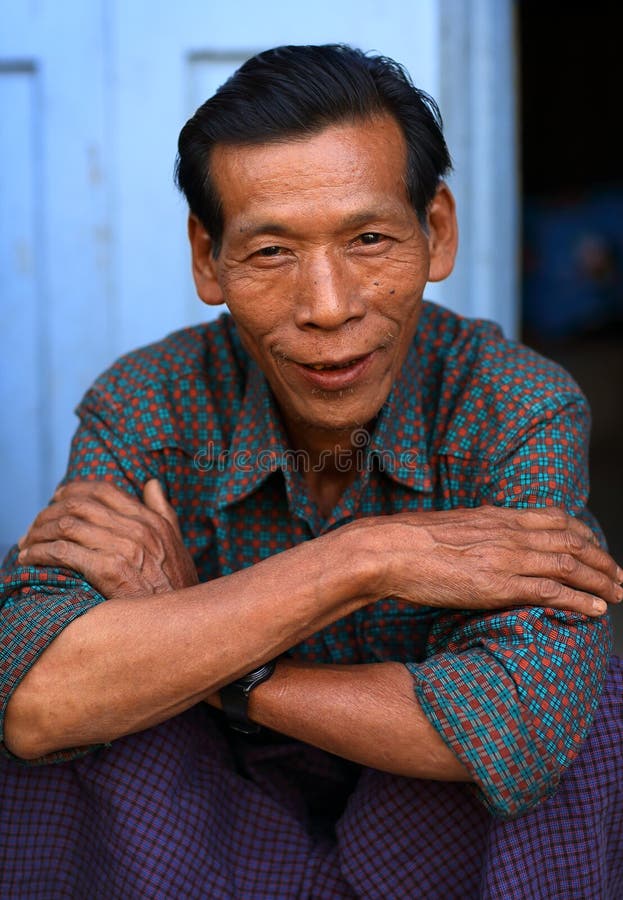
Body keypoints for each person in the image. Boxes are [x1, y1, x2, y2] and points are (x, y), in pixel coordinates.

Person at [1, 43, 622, 899]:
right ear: (207, 259)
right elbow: (34, 701)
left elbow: (515, 726)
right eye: (270, 253)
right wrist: (364, 559)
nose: (328, 307)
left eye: (368, 238)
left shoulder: (514, 407)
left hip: (423, 833)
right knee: (88, 714)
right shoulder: (148, 405)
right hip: (206, 826)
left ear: (435, 232)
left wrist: (228, 665)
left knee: (585, 711)